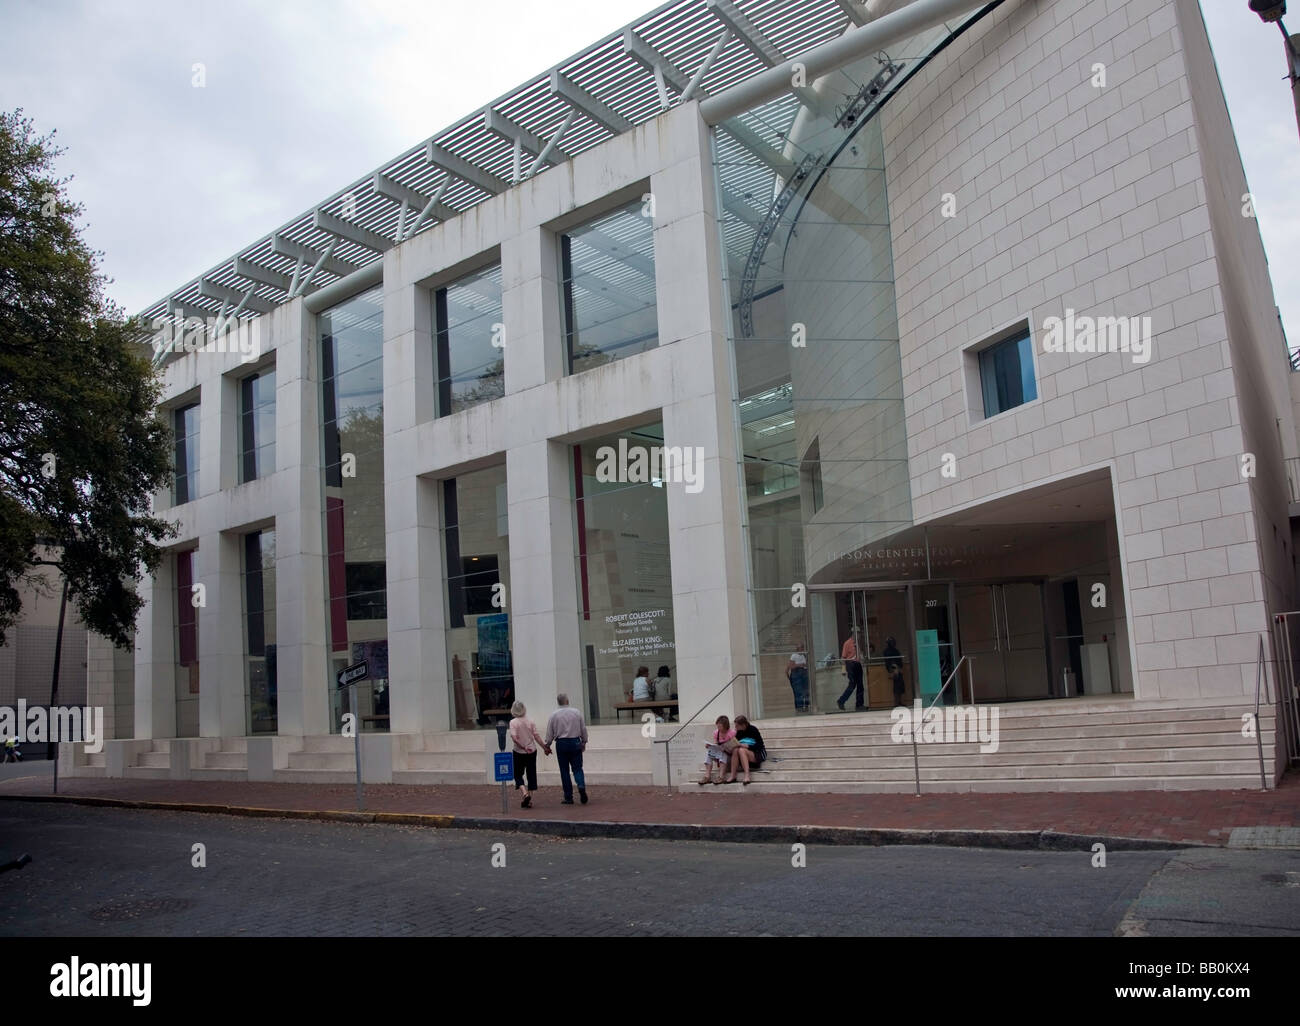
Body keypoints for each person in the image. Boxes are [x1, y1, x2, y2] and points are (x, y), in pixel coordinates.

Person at [544, 693, 589, 805]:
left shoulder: (554, 715)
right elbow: (583, 729)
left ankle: (568, 797)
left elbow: (550, 733)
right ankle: (581, 785)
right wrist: (584, 741)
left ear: (558, 702)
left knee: (564, 771)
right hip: (575, 741)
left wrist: (547, 745)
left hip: (561, 743)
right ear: (567, 701)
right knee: (577, 768)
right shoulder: (576, 712)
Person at [508, 701, 549, 808]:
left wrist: (522, 747)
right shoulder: (530, 720)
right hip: (532, 750)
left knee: (517, 774)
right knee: (531, 774)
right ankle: (529, 797)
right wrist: (544, 747)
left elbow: (514, 738)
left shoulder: (513, 722)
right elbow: (536, 736)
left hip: (518, 751)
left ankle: (524, 793)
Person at [728, 715, 767, 784]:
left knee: (741, 750)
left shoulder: (753, 729)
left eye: (737, 726)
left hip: (756, 753)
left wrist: (747, 746)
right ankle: (733, 775)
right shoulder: (738, 732)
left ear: (743, 725)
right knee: (736, 750)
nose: (735, 727)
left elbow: (760, 745)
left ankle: (747, 775)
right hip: (742, 755)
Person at [699, 715, 735, 785]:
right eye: (717, 726)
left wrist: (724, 748)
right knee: (708, 753)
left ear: (725, 726)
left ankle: (721, 777)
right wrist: (710, 746)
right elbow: (716, 744)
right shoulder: (716, 732)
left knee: (723, 753)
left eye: (720, 726)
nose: (718, 728)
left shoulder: (732, 733)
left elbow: (733, 748)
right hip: (719, 754)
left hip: (729, 755)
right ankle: (707, 776)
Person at [837, 632, 865, 711]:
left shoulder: (857, 644)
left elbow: (859, 655)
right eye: (858, 634)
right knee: (852, 684)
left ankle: (859, 705)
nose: (859, 636)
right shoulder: (847, 643)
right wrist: (843, 669)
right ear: (854, 635)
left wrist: (862, 660)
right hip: (851, 664)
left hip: (857, 664)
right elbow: (843, 657)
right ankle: (841, 701)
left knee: (860, 685)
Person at [882, 636, 906, 708]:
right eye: (891, 642)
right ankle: (896, 702)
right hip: (894, 668)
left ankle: (899, 701)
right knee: (897, 685)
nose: (893, 643)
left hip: (897, 668)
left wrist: (899, 668)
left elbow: (898, 660)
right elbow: (890, 661)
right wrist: (894, 670)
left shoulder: (894, 650)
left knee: (900, 685)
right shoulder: (888, 651)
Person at [786, 645, 810, 712]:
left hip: (803, 673)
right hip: (797, 673)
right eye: (801, 648)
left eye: (803, 648)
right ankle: (799, 707)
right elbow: (790, 666)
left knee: (805, 691)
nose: (802, 649)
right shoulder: (794, 655)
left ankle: (805, 705)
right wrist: (800, 665)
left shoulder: (804, 655)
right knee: (798, 691)